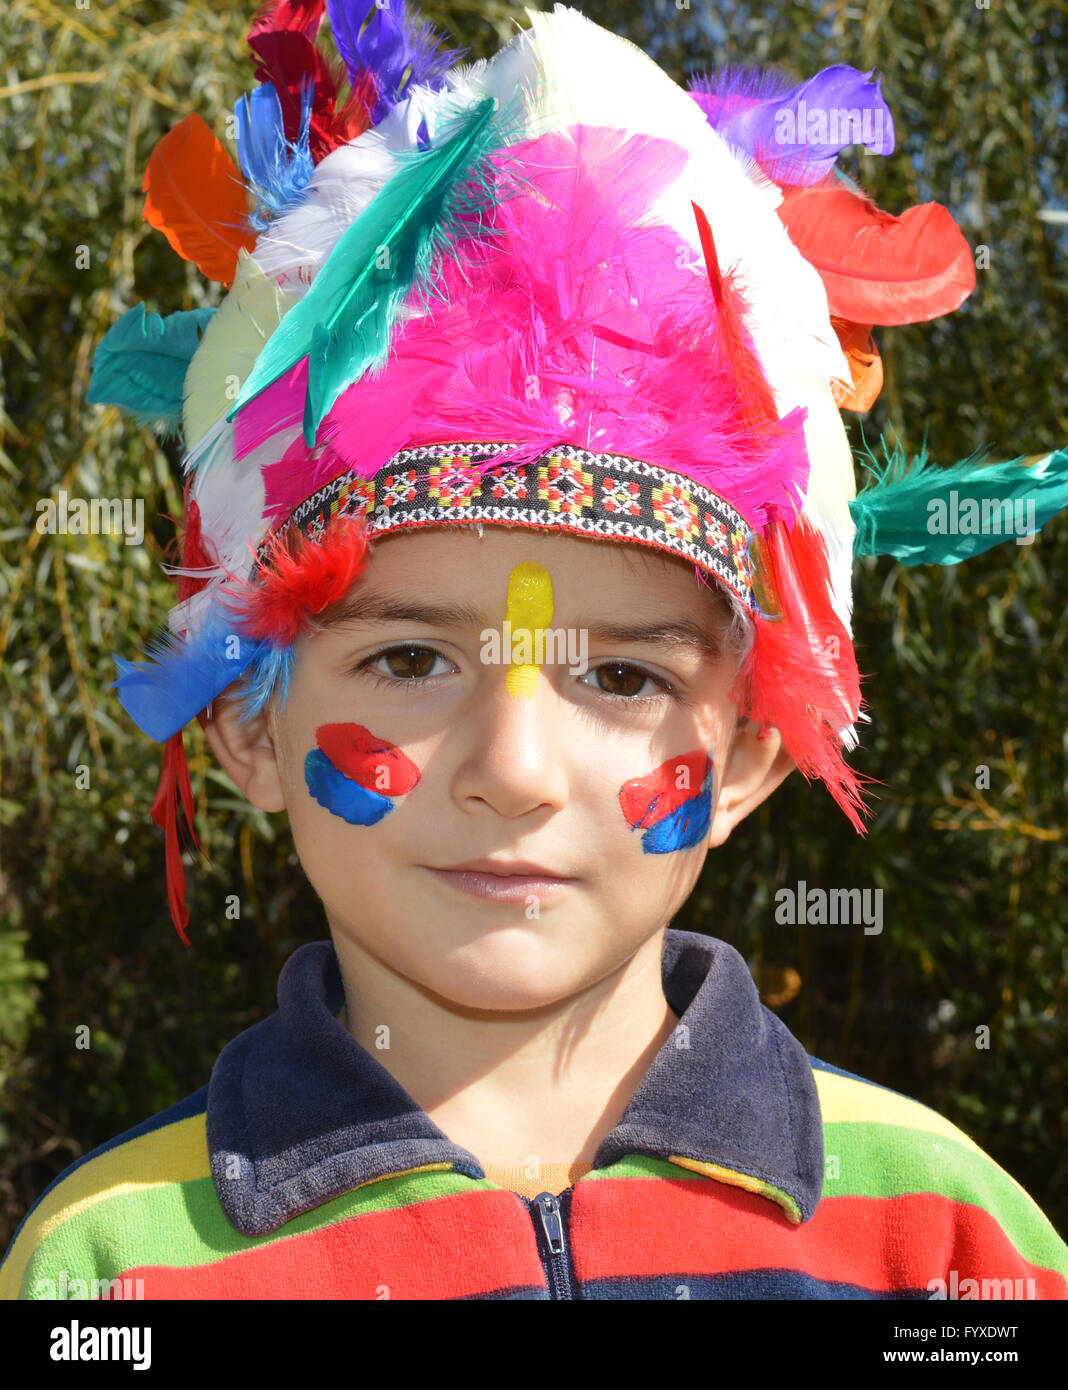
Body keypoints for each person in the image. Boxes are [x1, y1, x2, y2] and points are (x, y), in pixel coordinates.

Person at [3, 0, 1066, 1300]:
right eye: (407, 659)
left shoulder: (954, 1250)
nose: (513, 769)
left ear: (746, 757)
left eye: (624, 676)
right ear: (245, 725)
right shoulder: (110, 1276)